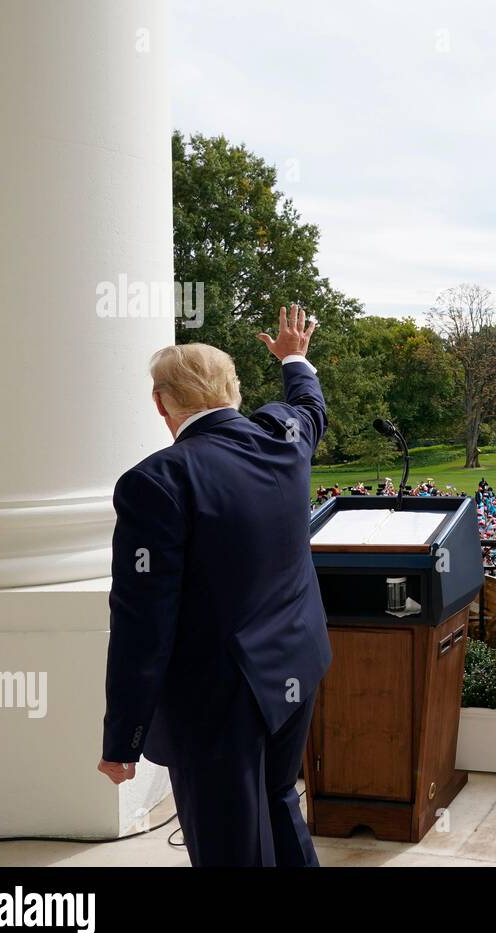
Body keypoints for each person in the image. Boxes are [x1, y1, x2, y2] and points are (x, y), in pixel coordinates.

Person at [98, 305, 330, 867]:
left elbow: (142, 622)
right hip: (295, 667)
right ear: (234, 390)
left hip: (219, 699)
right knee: (278, 800)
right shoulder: (285, 440)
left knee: (229, 844)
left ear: (161, 405)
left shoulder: (156, 482)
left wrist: (122, 738)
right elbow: (309, 405)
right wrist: (294, 355)